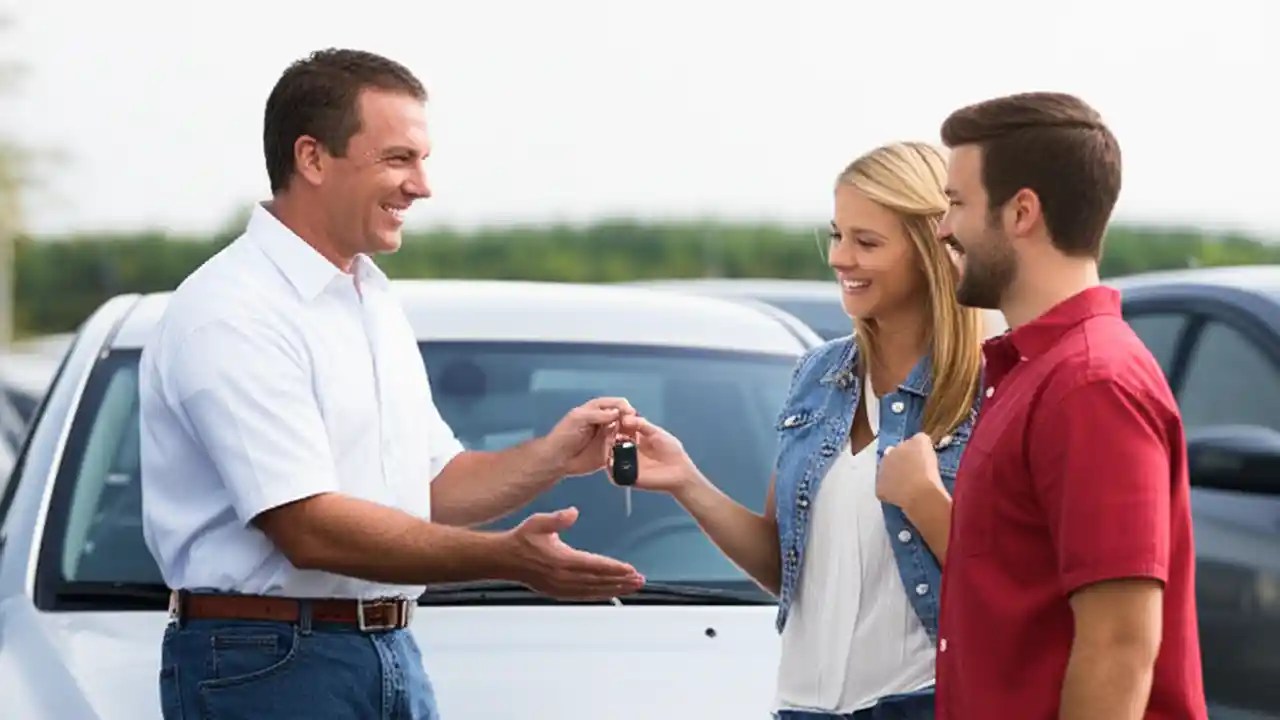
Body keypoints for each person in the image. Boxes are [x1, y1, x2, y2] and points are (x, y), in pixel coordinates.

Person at [138, 48, 644, 720]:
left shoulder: (368, 297)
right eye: (399, 159)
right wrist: (508, 560)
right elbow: (308, 527)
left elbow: (428, 491)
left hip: (381, 649)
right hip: (267, 663)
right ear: (313, 158)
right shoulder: (231, 311)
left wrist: (552, 457)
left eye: (422, 160)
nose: (422, 185)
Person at [617, 141, 987, 719]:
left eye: (866, 242)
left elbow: (1005, 591)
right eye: (837, 235)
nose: (841, 258)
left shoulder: (986, 390)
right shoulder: (819, 374)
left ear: (931, 249)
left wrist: (925, 500)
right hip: (802, 708)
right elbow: (785, 568)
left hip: (925, 704)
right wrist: (686, 482)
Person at [932, 91, 1208, 719]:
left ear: (1021, 212)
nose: (944, 228)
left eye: (956, 204)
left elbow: (1118, 646)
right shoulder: (1039, 372)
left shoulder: (1090, 385)